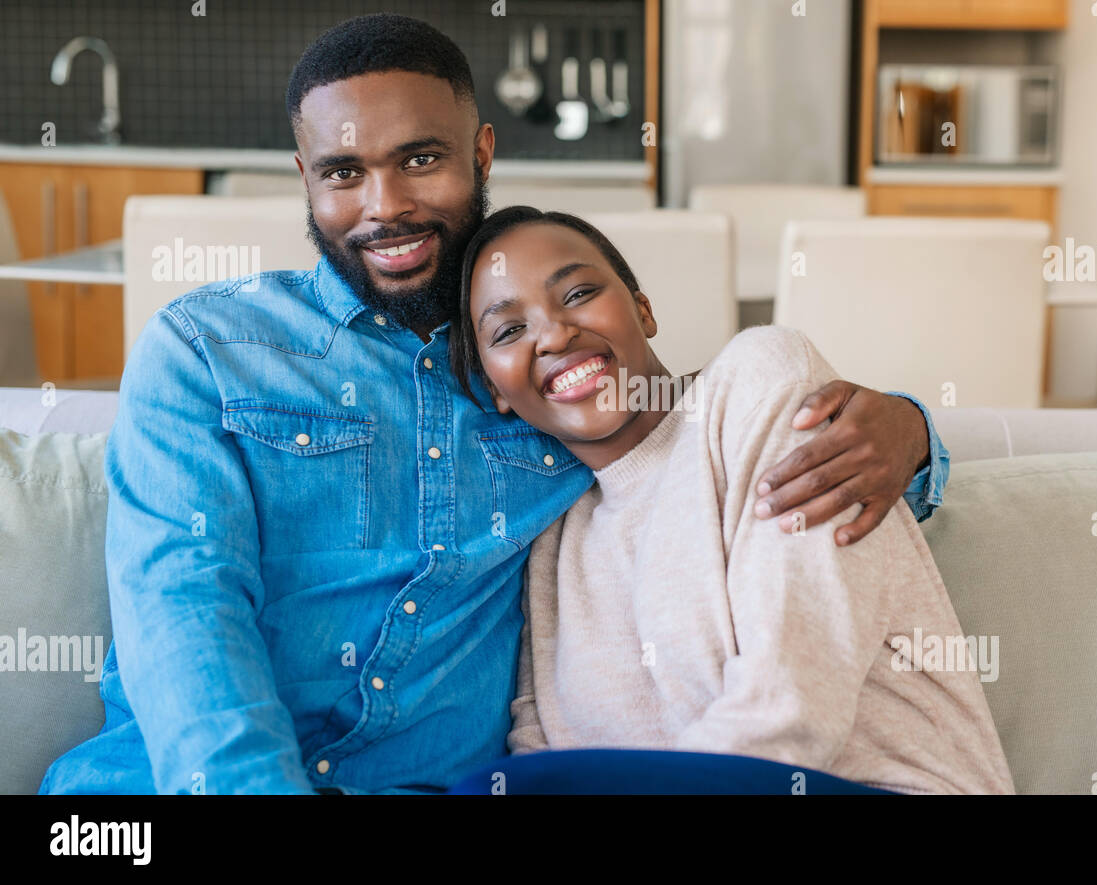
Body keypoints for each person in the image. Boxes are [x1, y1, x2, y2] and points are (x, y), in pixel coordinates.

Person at [40, 14, 950, 795]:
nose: (383, 205)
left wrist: (908, 433)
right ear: (306, 178)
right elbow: (185, 613)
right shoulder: (205, 352)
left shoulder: (540, 394)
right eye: (343, 172)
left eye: (420, 159)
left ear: (481, 153)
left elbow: (701, 442)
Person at [446, 207, 1013, 795]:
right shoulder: (552, 535)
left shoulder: (758, 381)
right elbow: (542, 741)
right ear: (494, 388)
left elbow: (789, 712)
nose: (555, 334)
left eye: (580, 292)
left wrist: (915, 427)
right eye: (509, 331)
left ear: (643, 309)